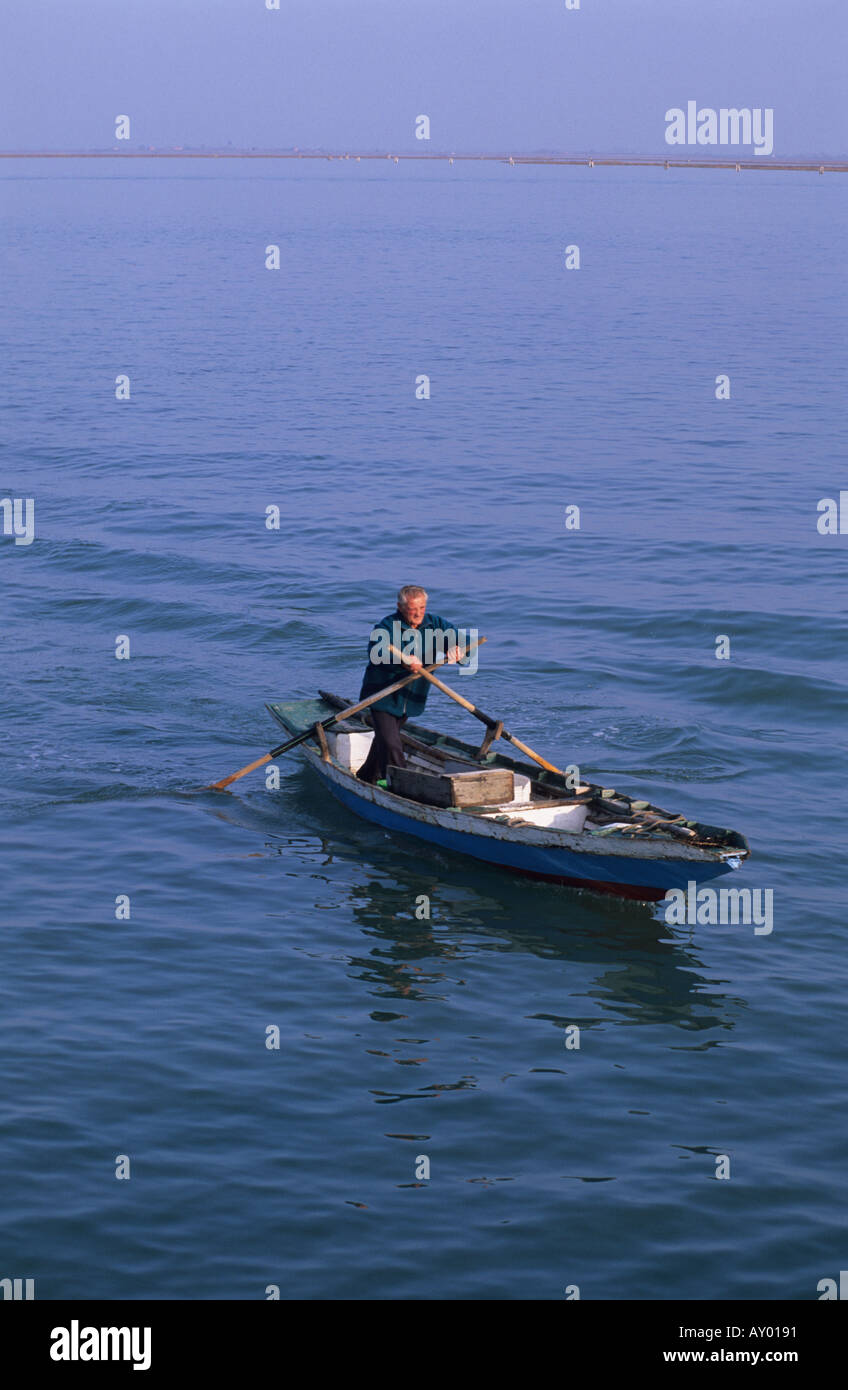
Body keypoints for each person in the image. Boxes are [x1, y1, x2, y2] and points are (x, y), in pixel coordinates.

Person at [356, 586, 464, 785]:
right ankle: (403, 785)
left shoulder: (435, 624)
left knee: (385, 739)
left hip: (412, 696)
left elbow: (461, 640)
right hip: (383, 695)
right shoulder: (386, 626)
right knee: (391, 743)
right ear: (400, 607)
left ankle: (366, 776)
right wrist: (403, 661)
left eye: (422, 608)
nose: (418, 614)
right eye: (413, 609)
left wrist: (458, 649)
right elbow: (377, 653)